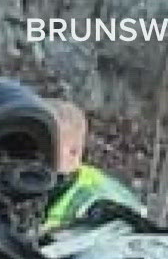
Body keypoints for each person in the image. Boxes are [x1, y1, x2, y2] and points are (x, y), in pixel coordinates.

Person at [39, 97, 145, 235]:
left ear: (74, 151)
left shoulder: (102, 202)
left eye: (47, 144)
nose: (35, 152)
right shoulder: (25, 177)